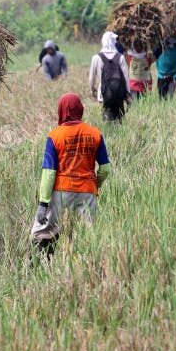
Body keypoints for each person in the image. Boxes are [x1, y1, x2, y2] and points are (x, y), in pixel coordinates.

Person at [31, 93, 110, 255]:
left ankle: (39, 268)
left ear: (61, 111)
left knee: (43, 232)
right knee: (87, 235)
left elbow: (49, 173)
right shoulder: (95, 134)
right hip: (87, 192)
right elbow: (105, 169)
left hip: (61, 192)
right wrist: (94, 183)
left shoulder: (55, 136)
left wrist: (43, 203)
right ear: (80, 109)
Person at [88, 31, 131, 122]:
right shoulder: (121, 57)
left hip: (103, 93)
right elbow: (126, 78)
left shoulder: (96, 58)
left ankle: (108, 133)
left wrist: (93, 90)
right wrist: (128, 95)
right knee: (120, 120)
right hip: (119, 93)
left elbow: (91, 78)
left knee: (107, 118)